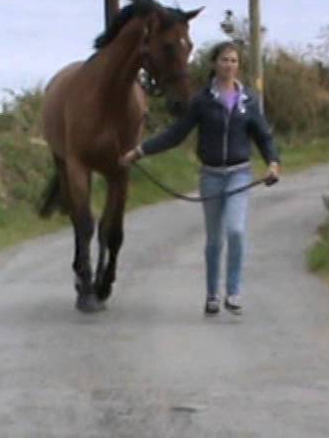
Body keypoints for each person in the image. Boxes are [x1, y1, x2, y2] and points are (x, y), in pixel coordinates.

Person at [120, 42, 280, 316]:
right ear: (214, 64)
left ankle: (234, 292)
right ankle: (212, 295)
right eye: (224, 60)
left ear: (237, 65)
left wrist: (273, 164)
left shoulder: (249, 100)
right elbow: (176, 133)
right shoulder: (202, 100)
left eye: (233, 60)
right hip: (211, 176)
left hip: (240, 173)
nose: (229, 65)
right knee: (215, 239)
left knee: (236, 231)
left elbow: (264, 136)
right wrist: (139, 151)